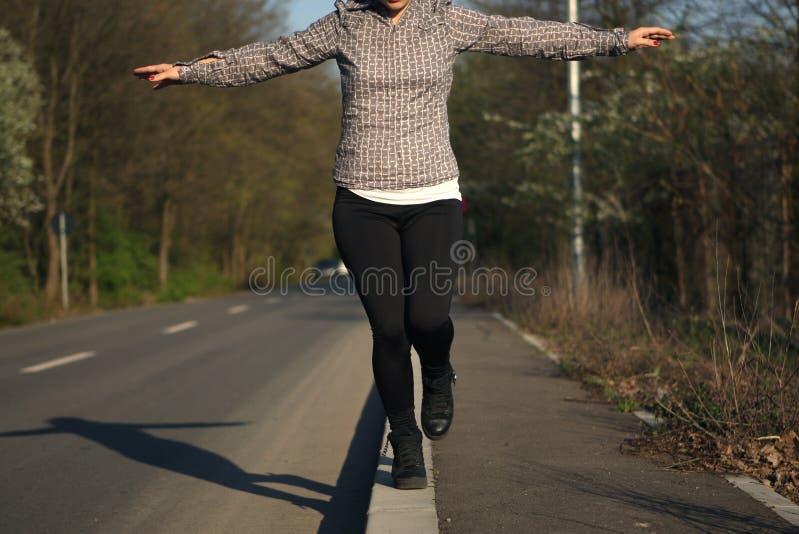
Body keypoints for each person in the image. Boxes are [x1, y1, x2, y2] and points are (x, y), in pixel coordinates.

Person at [134, 0, 674, 490]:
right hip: (360, 202)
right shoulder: (344, 25)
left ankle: (438, 374)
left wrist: (615, 40)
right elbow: (271, 57)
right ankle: (406, 441)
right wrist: (188, 72)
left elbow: (526, 35)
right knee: (389, 328)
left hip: (434, 197)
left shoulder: (447, 20)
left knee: (429, 319)